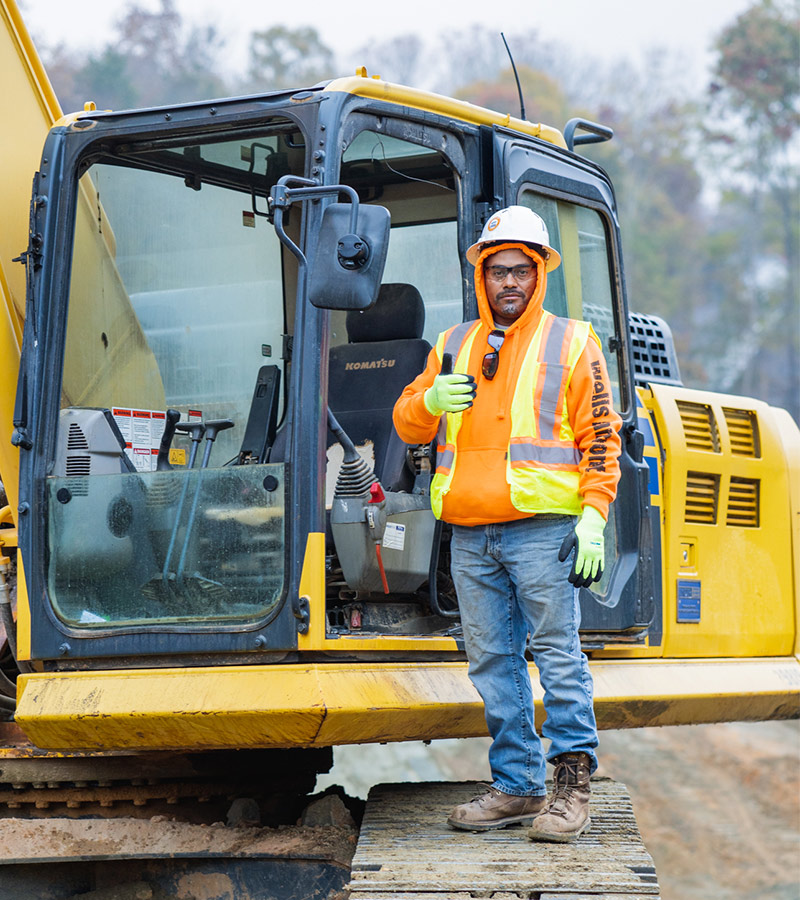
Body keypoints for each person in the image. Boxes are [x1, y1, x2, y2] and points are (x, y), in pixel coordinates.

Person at [392, 206, 622, 842]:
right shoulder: (453, 344)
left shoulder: (571, 342)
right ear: (482, 278)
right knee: (493, 660)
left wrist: (594, 519)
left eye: (522, 270)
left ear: (539, 274)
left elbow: (601, 436)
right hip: (470, 533)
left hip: (542, 530)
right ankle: (518, 786)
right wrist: (429, 401)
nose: (510, 283)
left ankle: (572, 784)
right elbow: (407, 417)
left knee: (556, 655)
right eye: (498, 272)